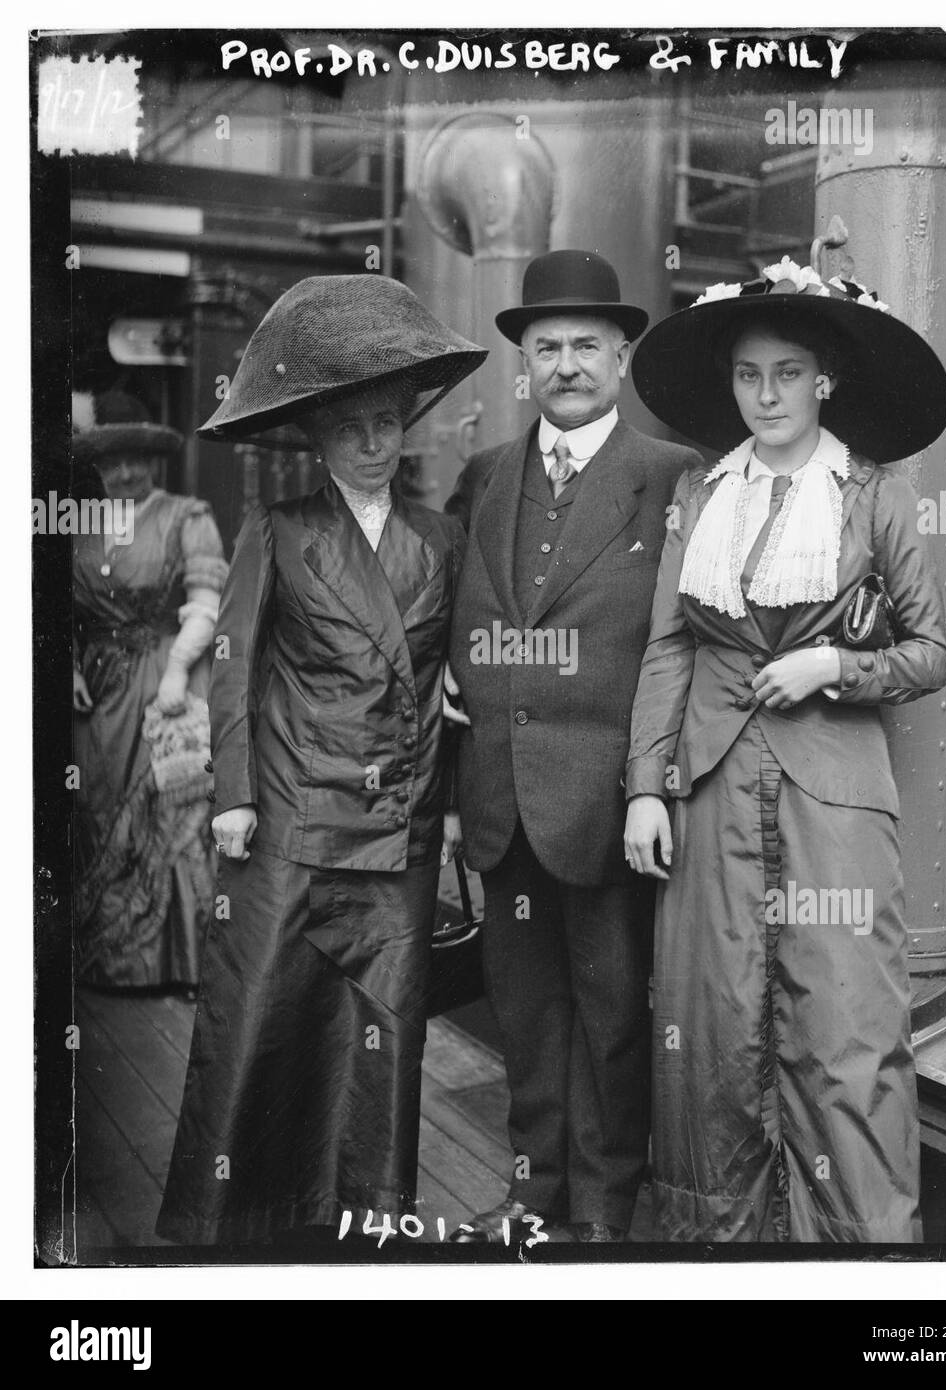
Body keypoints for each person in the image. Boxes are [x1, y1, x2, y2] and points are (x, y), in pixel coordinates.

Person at [624, 257, 946, 1242]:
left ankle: (856, 1256)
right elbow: (669, 643)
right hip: (711, 784)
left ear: (826, 379)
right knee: (712, 1026)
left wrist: (833, 671)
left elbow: (931, 652)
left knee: (845, 1026)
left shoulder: (873, 494)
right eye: (746, 374)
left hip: (834, 792)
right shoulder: (701, 489)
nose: (765, 395)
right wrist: (645, 786)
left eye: (787, 372)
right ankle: (722, 1245)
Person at [156, 276, 486, 1249]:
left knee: (384, 1030)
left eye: (388, 423)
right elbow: (232, 665)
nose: (375, 444)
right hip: (296, 817)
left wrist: (456, 774)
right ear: (320, 438)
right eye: (354, 428)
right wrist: (232, 794)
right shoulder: (279, 530)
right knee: (262, 1012)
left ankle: (366, 1220)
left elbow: (453, 670)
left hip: (402, 825)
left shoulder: (442, 538)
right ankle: (233, 1213)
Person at [445, 250, 705, 1243]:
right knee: (525, 1017)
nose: (564, 364)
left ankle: (601, 1216)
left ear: (621, 352)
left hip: (606, 806)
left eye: (585, 346)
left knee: (612, 1022)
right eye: (545, 347)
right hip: (503, 801)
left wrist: (652, 782)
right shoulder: (483, 478)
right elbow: (453, 607)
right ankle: (532, 1197)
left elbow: (683, 642)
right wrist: (439, 667)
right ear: (523, 362)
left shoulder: (668, 475)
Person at [73, 391, 228, 990]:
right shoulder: (77, 522)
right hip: (97, 687)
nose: (125, 471)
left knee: (177, 812)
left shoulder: (186, 515)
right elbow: (51, 609)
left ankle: (183, 965)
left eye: (137, 458)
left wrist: (177, 670)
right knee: (97, 807)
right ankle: (108, 963)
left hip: (167, 673)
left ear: (154, 460)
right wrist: (66, 666)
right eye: (112, 460)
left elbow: (205, 604)